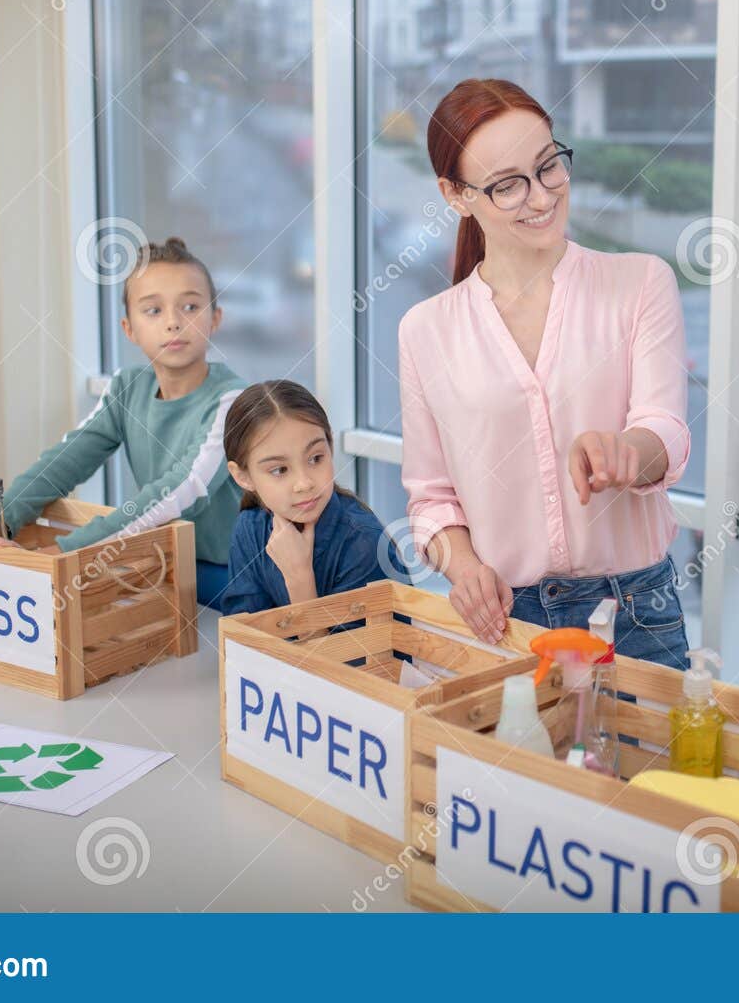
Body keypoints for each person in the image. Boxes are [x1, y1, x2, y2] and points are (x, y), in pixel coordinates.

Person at [398, 78, 691, 668]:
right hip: (505, 622)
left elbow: (666, 430)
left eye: (549, 167)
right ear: (456, 195)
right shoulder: (425, 329)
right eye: (507, 185)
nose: (540, 197)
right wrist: (465, 567)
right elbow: (431, 498)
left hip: (633, 613)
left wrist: (629, 449)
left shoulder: (640, 283)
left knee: (653, 765)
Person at [0, 237, 243, 608]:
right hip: (164, 565)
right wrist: (1, 521)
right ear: (128, 328)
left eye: (191, 306)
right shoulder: (127, 389)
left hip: (232, 577)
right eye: (153, 310)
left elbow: (182, 490)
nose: (174, 322)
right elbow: (66, 460)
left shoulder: (234, 400)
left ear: (215, 318)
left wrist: (64, 551)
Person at [218, 380, 406, 615]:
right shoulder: (249, 528)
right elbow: (244, 637)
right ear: (243, 476)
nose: (305, 483)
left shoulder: (364, 543)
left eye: (316, 458)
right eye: (279, 470)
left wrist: (300, 579)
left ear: (330, 446)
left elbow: (348, 652)